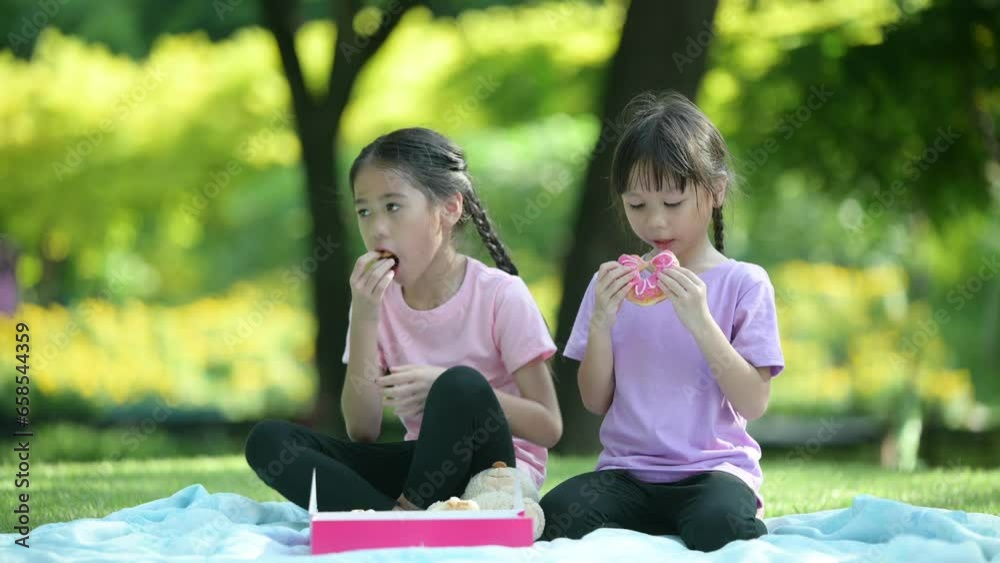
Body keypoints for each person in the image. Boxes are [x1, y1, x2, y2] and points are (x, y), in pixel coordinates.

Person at [245, 127, 561, 512]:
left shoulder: (500, 295)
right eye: (364, 211)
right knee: (269, 440)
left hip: (491, 475)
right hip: (422, 471)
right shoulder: (374, 302)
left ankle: (400, 517)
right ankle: (401, 522)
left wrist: (441, 386)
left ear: (449, 208)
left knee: (459, 384)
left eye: (393, 207)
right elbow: (362, 429)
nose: (376, 228)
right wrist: (364, 314)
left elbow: (549, 426)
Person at [539, 91, 785, 552]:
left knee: (721, 528)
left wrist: (700, 321)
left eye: (672, 203)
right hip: (626, 473)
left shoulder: (745, 283)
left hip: (713, 472)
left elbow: (753, 402)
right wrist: (601, 324)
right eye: (636, 205)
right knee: (557, 516)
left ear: (716, 191)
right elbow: (594, 401)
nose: (655, 221)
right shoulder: (610, 284)